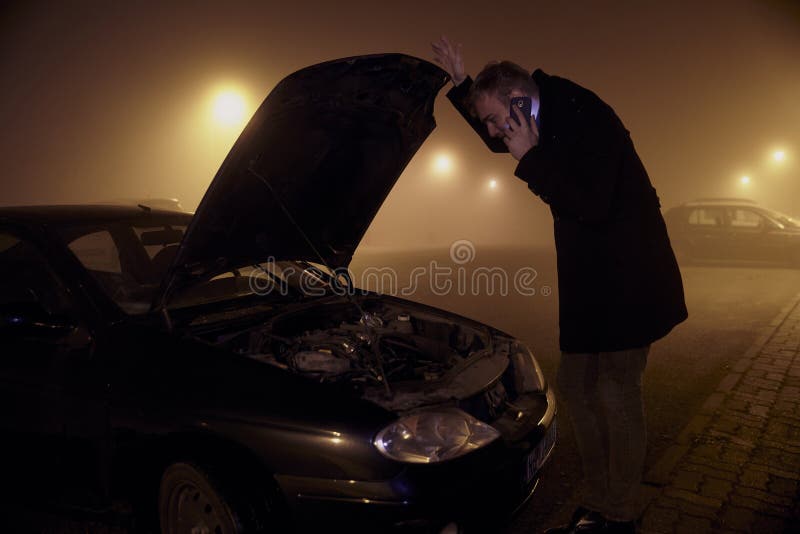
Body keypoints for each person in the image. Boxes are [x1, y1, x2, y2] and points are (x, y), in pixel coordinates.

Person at [431, 37, 688, 534]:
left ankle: (619, 514)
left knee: (616, 391)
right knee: (575, 386)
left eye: (496, 120)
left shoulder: (585, 115)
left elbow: (591, 203)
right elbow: (500, 138)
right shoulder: (532, 115)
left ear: (520, 102)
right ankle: (599, 504)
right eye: (488, 122)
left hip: (629, 280)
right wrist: (463, 85)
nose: (494, 134)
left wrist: (529, 157)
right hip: (591, 280)